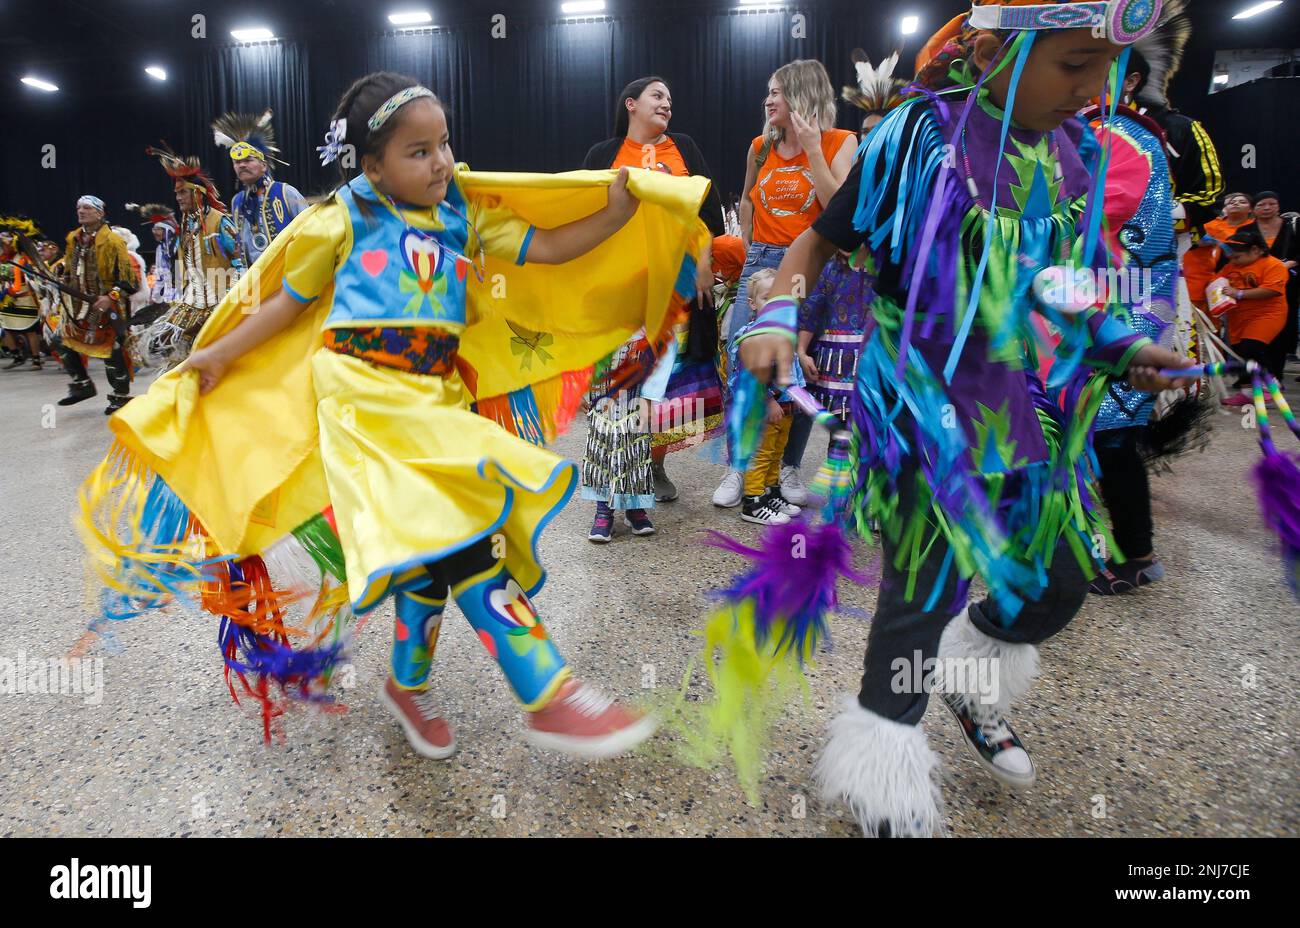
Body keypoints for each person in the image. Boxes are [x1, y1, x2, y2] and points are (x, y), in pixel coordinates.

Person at [78, 71, 710, 760]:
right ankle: (546, 690)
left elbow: (551, 248)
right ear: (371, 164)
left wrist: (616, 215)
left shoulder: (462, 214)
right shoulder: (342, 220)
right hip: (365, 405)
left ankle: (408, 686)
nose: (440, 161)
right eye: (418, 151)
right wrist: (221, 354)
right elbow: (286, 303)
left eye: (443, 144)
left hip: (437, 401)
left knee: (432, 553)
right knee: (465, 535)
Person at [736, 0, 1192, 836]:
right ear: (993, 50)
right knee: (920, 594)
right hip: (919, 406)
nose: (1092, 88)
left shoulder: (1072, 155)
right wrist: (775, 315)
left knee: (1054, 582)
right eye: (1072, 65)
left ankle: (970, 677)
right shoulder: (919, 137)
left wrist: (1125, 346)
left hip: (1021, 408)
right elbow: (817, 242)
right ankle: (885, 783)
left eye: (1105, 70)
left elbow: (1069, 288)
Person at [580, 76, 725, 539]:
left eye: (670, 97)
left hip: (675, 297)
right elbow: (581, 218)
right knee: (610, 397)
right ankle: (604, 503)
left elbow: (710, 215)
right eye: (657, 95)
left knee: (651, 400)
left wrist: (704, 264)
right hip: (620, 295)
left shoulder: (684, 149)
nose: (667, 103)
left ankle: (638, 495)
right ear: (631, 104)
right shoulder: (603, 155)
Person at [713, 59, 857, 510]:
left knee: (793, 373)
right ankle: (740, 467)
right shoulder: (760, 147)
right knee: (746, 365)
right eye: (769, 92)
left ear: (802, 94)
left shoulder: (841, 141)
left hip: (807, 269)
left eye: (777, 92)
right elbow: (746, 198)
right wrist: (751, 249)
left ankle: (786, 467)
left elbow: (842, 211)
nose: (768, 100)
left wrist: (814, 150)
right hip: (759, 266)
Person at [132, 145, 237, 370]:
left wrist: (233, 299)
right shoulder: (186, 224)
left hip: (220, 301)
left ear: (197, 193)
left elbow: (240, 263)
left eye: (182, 192)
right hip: (191, 301)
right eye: (176, 193)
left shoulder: (220, 222)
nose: (177, 197)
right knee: (164, 349)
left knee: (212, 358)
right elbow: (186, 266)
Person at [56, 195, 139, 413]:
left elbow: (130, 281)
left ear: (99, 213)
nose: (80, 211)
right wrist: (61, 278)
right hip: (78, 307)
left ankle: (120, 396)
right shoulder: (73, 239)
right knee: (61, 341)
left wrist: (110, 296)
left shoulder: (113, 242)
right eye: (78, 207)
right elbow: (69, 271)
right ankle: (82, 385)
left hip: (105, 308)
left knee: (110, 349)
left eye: (86, 208)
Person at [212, 108, 308, 267]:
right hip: (256, 281)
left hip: (289, 278)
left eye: (248, 160)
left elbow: (310, 233)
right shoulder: (237, 202)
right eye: (237, 162)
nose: (242, 165)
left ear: (264, 165)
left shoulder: (286, 193)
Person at [1214, 227, 1290, 406]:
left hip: (1267, 314)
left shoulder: (1274, 265)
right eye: (1231, 258)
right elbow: (1218, 282)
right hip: (1238, 317)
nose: (1233, 261)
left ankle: (1270, 384)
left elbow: (1271, 290)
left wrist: (1238, 294)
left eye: (1237, 257)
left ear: (1256, 250)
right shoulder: (1230, 266)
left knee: (1253, 346)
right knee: (1242, 354)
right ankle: (1248, 393)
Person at [1241, 192, 1299, 367]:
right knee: (1251, 336)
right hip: (1253, 287)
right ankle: (1250, 378)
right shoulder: (1245, 230)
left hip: (1285, 287)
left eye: (1271, 204)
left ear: (1278, 206)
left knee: (1282, 331)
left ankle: (1275, 375)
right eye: (1261, 205)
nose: (1267, 208)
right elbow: (1237, 256)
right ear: (1253, 209)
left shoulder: (1293, 227)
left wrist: (1286, 265)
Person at [0, 216, 46, 370]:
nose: (3, 246)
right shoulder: (4, 259)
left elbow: (34, 280)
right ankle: (17, 355)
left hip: (25, 299)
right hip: (8, 299)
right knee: (6, 327)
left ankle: (36, 359)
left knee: (29, 331)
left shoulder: (24, 260)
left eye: (5, 244)